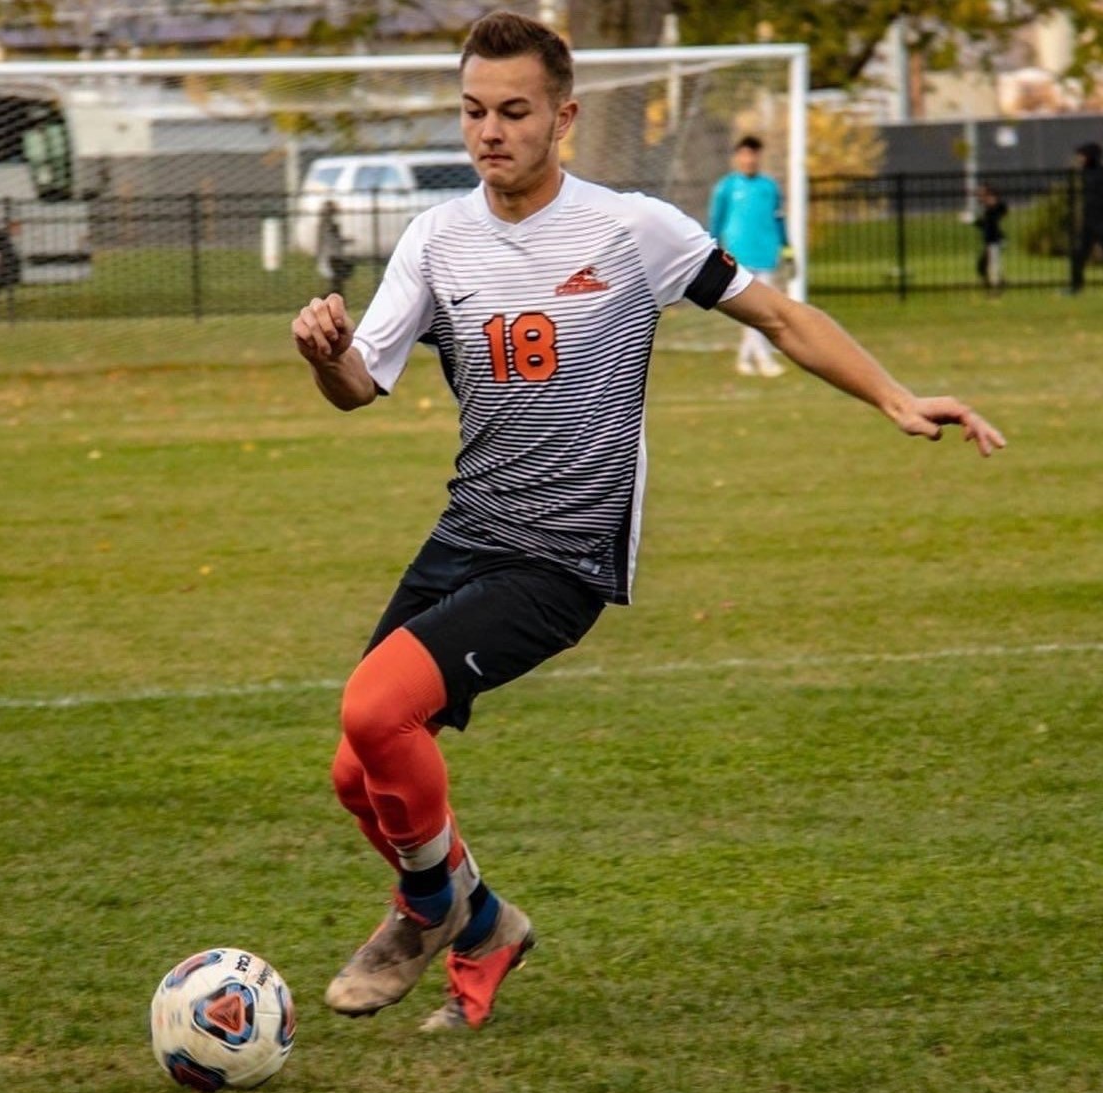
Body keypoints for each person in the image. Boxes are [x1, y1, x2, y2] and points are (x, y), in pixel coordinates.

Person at [290, 10, 1005, 1034]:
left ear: (564, 116)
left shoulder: (632, 230)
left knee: (374, 712)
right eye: (472, 111)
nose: (490, 132)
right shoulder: (435, 239)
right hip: (469, 532)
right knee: (357, 772)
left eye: (514, 112)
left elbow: (781, 316)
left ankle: (425, 908)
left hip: (564, 556)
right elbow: (362, 385)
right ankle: (485, 923)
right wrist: (324, 354)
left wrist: (893, 394)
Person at [709, 135, 790, 377]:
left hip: (765, 254)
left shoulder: (769, 187)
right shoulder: (726, 187)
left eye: (753, 154)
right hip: (737, 257)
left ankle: (746, 358)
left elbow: (779, 219)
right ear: (738, 157)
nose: (749, 159)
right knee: (756, 312)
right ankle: (764, 361)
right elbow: (716, 221)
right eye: (744, 154)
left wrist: (787, 247)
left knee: (761, 311)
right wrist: (711, 250)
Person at [1068, 141, 1103, 295]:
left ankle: (1077, 286)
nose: (1079, 159)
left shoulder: (1100, 175)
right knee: (1081, 254)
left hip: (1100, 221)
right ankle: (1076, 286)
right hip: (1094, 220)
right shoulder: (1091, 174)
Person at [973, 182, 1008, 294]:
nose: (979, 196)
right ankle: (996, 284)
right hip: (991, 241)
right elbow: (985, 225)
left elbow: (1002, 209)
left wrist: (994, 203)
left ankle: (996, 288)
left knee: (992, 265)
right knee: (984, 265)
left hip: (996, 240)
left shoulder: (995, 207)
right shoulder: (988, 208)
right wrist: (973, 221)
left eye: (982, 193)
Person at [316, 199, 354, 298]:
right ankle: (325, 300)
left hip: (334, 256)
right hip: (331, 257)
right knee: (337, 285)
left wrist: (345, 241)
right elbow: (330, 239)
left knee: (337, 284)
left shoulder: (329, 223)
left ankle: (329, 300)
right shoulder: (326, 222)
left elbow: (335, 239)